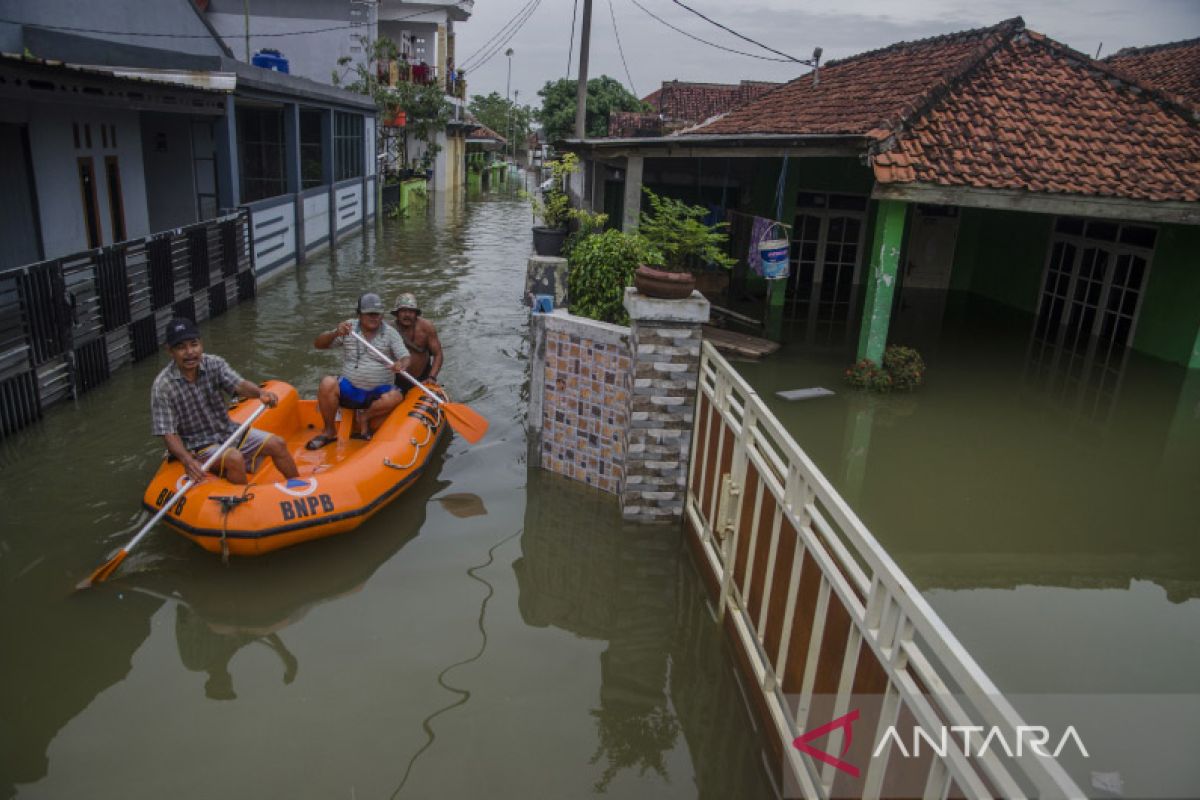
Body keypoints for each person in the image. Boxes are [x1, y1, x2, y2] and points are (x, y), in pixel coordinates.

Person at [151, 317, 299, 485]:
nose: (190, 352)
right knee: (234, 458)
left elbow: (238, 385)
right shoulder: (163, 386)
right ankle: (244, 503)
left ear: (201, 344)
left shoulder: (214, 363)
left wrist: (260, 393)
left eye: (194, 344)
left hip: (227, 431)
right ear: (170, 351)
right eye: (181, 348)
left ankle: (298, 487)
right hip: (198, 445)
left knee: (277, 444)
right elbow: (168, 432)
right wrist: (187, 460)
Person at [308, 292, 410, 448]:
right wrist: (335, 332)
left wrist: (401, 364)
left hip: (378, 392)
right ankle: (329, 431)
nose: (374, 318)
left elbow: (405, 357)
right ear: (359, 315)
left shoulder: (390, 333)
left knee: (396, 396)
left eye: (377, 314)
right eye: (369, 314)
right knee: (327, 383)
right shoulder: (348, 328)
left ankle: (365, 417)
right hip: (351, 388)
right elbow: (318, 344)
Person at [390, 292, 442, 394]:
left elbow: (438, 354)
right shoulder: (388, 330)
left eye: (411, 311)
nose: (407, 315)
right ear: (397, 313)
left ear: (416, 313)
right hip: (396, 381)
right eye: (403, 311)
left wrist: (432, 377)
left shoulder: (427, 327)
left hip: (422, 379)